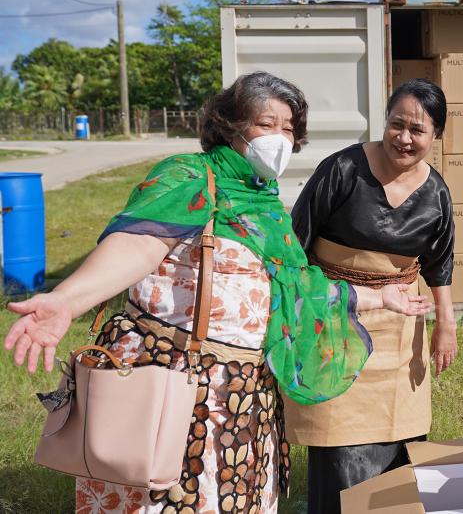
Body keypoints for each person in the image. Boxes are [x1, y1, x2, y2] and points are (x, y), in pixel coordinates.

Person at [2, 71, 432, 513]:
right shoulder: (191, 177)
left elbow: (298, 291)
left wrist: (381, 298)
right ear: (231, 126)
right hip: (177, 395)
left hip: (246, 406)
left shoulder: (266, 206)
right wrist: (67, 300)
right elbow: (139, 245)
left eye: (288, 128)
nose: (280, 138)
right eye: (266, 125)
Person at [286, 78, 456, 514]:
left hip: (401, 325)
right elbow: (295, 244)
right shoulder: (341, 170)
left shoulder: (437, 192)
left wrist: (446, 326)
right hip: (337, 313)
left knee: (401, 435)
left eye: (418, 130)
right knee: (338, 442)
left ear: (436, 134)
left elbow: (439, 263)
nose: (404, 138)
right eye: (396, 125)